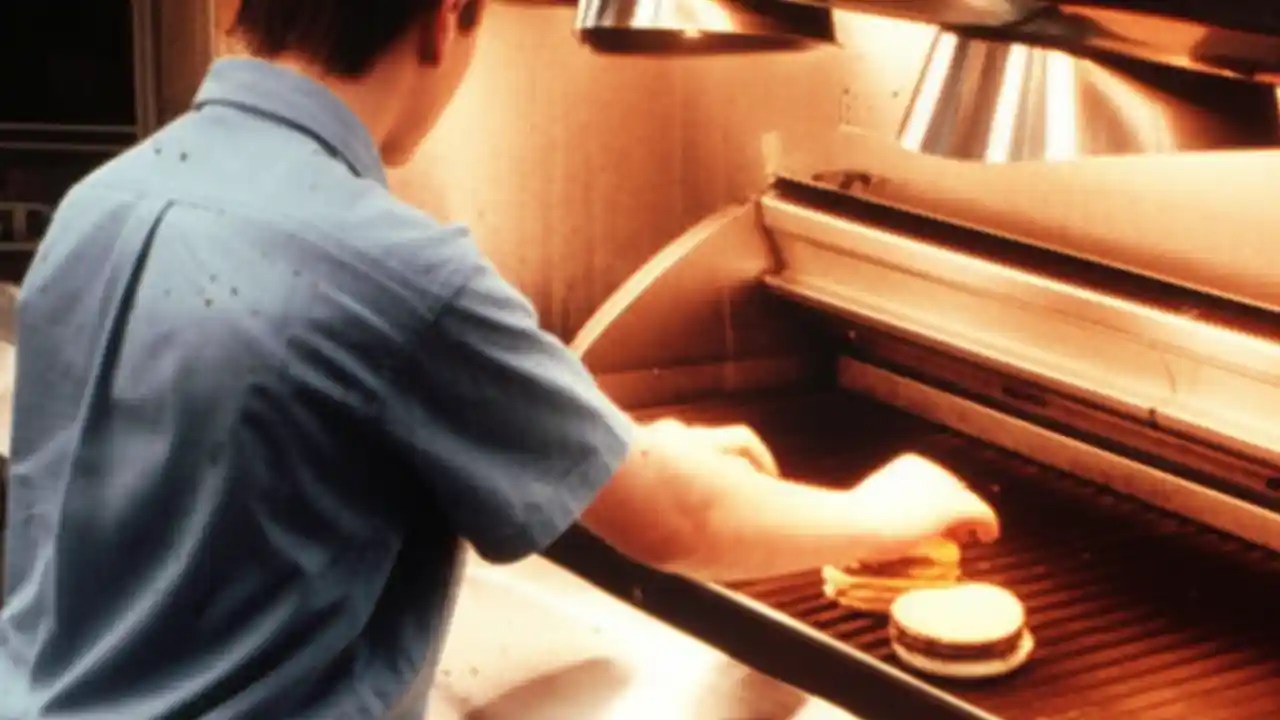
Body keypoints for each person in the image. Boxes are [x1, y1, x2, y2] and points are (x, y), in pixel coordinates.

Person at [0, 1, 999, 718]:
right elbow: (676, 525)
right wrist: (883, 512)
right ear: (444, 21)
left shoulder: (107, 201)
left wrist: (612, 446)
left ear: (235, 13)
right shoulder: (393, 268)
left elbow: (265, 457)